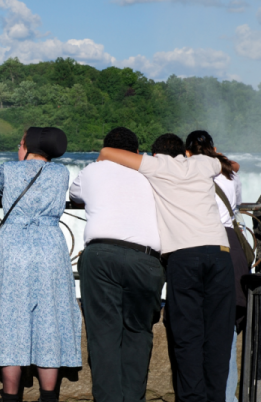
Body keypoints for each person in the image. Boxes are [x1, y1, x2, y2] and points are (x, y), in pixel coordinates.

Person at [98, 133, 235, 402]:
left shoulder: (156, 165)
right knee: (218, 336)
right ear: (185, 152)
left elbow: (107, 152)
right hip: (219, 254)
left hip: (184, 257)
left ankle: (192, 398)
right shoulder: (204, 164)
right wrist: (210, 156)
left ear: (155, 153)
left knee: (187, 336)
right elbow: (233, 166)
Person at [0, 127, 82, 402]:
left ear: (27, 145)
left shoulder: (8, 170)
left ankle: (11, 395)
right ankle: (49, 397)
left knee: (12, 319)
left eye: (20, 142)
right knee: (50, 318)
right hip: (51, 245)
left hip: (14, 246)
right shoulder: (62, 173)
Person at [70, 127, 164, 402]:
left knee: (103, 337)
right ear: (136, 153)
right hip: (145, 259)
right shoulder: (151, 173)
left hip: (101, 255)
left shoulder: (92, 171)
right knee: (138, 332)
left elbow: (75, 195)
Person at [186, 131, 249, 402]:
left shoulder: (186, 172)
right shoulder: (230, 173)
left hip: (199, 244)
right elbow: (235, 205)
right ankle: (226, 397)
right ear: (213, 149)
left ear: (188, 153)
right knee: (227, 331)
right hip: (232, 249)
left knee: (195, 326)